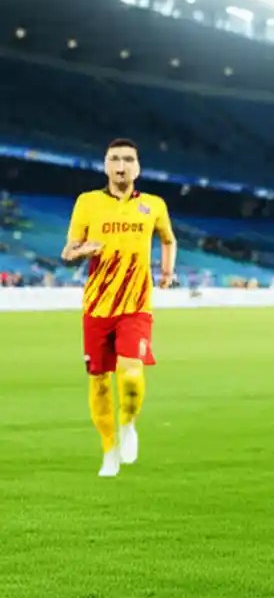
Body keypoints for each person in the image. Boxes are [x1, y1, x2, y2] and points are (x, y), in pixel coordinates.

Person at [60, 138, 177, 477]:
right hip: (97, 307)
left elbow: (168, 239)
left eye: (128, 159)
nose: (121, 165)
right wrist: (83, 251)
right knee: (98, 382)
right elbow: (68, 252)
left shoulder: (153, 205)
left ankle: (128, 424)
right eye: (114, 159)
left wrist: (167, 271)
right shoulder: (88, 202)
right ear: (106, 165)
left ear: (138, 166)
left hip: (136, 305)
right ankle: (109, 450)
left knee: (130, 376)